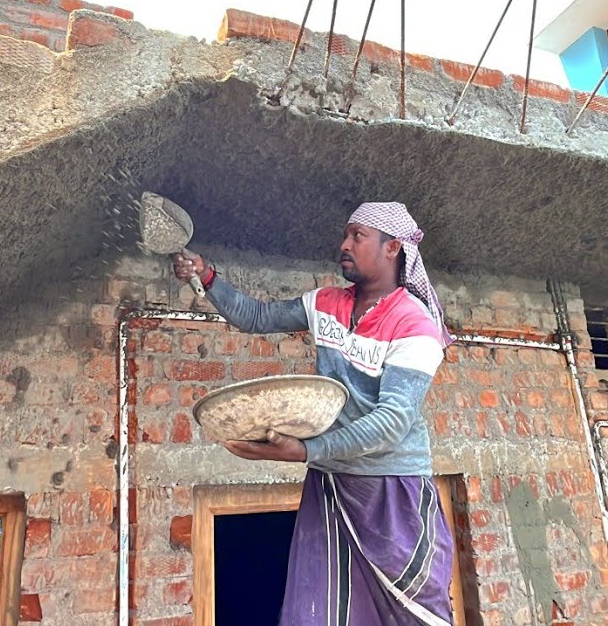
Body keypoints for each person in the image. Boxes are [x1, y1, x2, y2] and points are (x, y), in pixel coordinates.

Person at [172, 202, 455, 626]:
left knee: (411, 612)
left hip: (390, 489)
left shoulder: (415, 325)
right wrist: (206, 275)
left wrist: (305, 450)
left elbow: (393, 420)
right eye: (346, 234)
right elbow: (257, 316)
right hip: (331, 483)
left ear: (393, 247)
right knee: (323, 609)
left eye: (358, 236)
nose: (344, 244)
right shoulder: (327, 303)